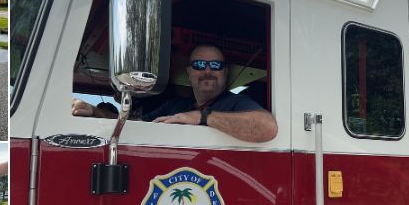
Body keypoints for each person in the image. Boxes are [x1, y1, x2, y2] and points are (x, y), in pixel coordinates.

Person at [72, 44, 278, 143]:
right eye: (199, 65)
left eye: (215, 65)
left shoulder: (236, 103)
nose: (207, 71)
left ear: (225, 72)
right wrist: (96, 112)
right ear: (189, 73)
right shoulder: (175, 105)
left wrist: (201, 117)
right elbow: (137, 124)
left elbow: (268, 128)